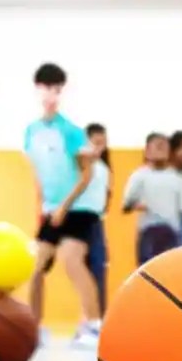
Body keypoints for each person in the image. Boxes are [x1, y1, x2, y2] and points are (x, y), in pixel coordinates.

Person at [22, 62, 103, 349]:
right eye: (46, 88)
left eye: (57, 89)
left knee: (71, 260)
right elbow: (38, 176)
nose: (51, 94)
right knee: (34, 267)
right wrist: (43, 210)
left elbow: (87, 174)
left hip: (77, 208)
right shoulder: (30, 132)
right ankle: (34, 327)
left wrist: (64, 208)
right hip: (49, 209)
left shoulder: (71, 131)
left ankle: (93, 325)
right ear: (37, 89)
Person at [124, 133, 182, 265]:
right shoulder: (139, 176)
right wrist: (136, 205)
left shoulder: (176, 177)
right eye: (158, 146)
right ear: (147, 151)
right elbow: (126, 205)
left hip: (172, 233)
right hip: (149, 231)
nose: (161, 149)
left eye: (164, 146)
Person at [79, 122, 112, 317]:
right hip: (81, 221)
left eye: (103, 143)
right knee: (83, 273)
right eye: (96, 143)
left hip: (97, 222)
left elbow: (106, 197)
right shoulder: (80, 166)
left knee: (99, 268)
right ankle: (86, 318)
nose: (100, 148)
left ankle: (98, 319)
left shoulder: (104, 169)